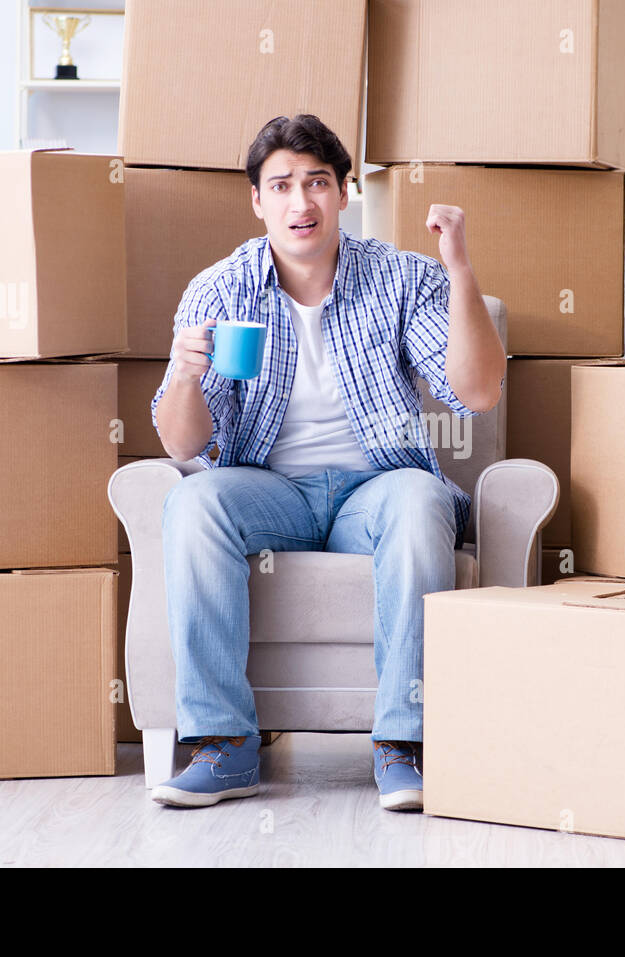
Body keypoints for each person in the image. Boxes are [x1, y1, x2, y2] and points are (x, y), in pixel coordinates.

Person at [148, 114, 506, 811]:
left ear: (345, 192)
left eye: (316, 182)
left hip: (374, 489)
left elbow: (480, 390)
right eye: (280, 185)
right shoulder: (221, 289)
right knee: (191, 500)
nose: (299, 202)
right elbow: (180, 445)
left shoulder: (401, 278)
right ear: (257, 200)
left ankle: (402, 745)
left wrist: (459, 268)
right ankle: (224, 746)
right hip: (268, 492)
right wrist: (185, 375)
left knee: (420, 500)